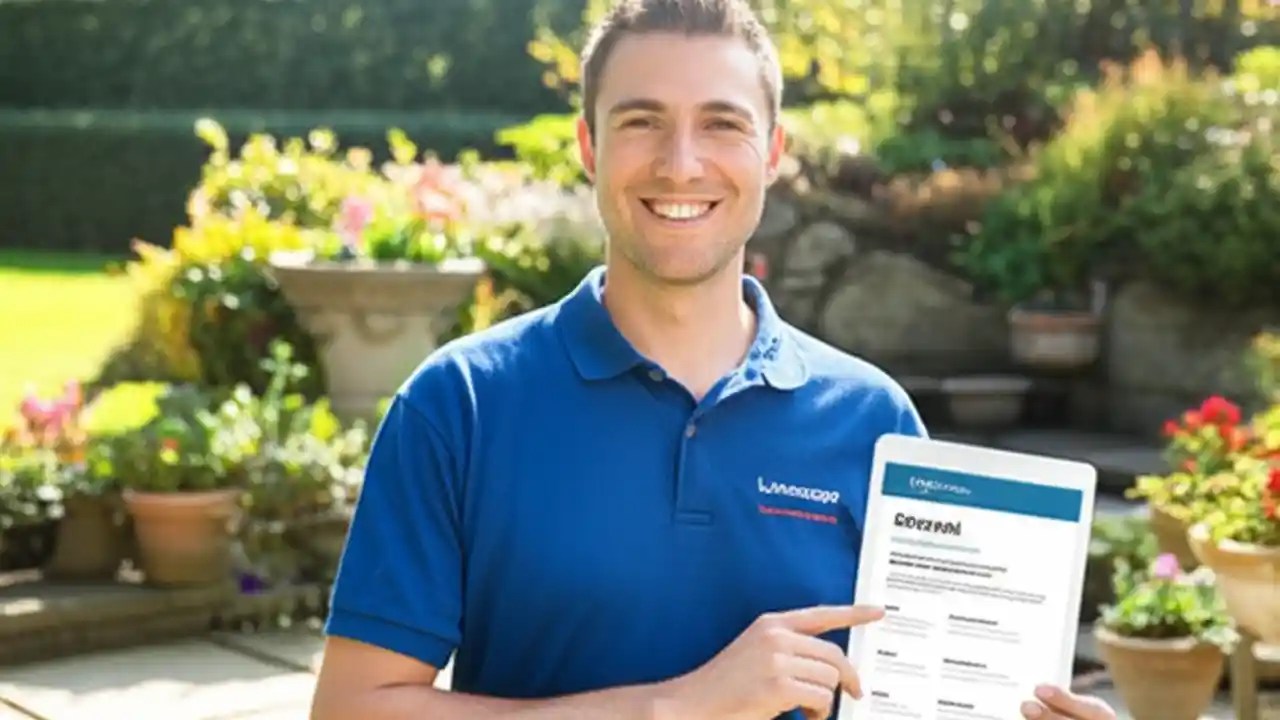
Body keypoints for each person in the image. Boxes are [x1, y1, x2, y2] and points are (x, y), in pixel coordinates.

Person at [310, 1, 1120, 718]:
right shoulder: (461, 404)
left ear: (772, 152)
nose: (682, 163)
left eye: (722, 123)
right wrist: (675, 708)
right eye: (642, 121)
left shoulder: (874, 421)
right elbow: (353, 709)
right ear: (589, 145)